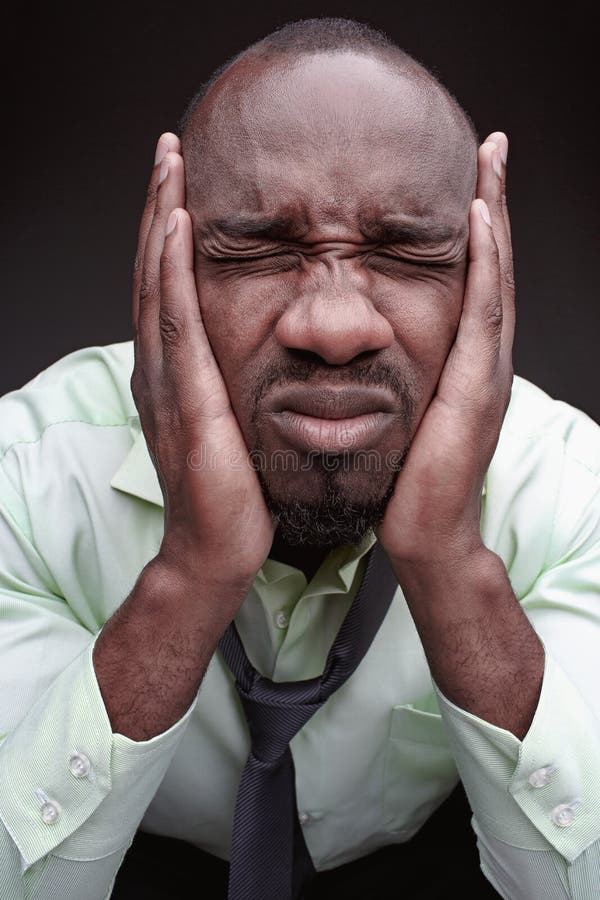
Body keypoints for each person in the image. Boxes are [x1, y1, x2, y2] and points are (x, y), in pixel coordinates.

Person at [0, 15, 599, 900]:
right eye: (258, 248)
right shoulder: (23, 481)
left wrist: (449, 562)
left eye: (406, 251)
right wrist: (191, 574)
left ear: (486, 275)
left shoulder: (572, 492)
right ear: (165, 265)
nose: (334, 327)